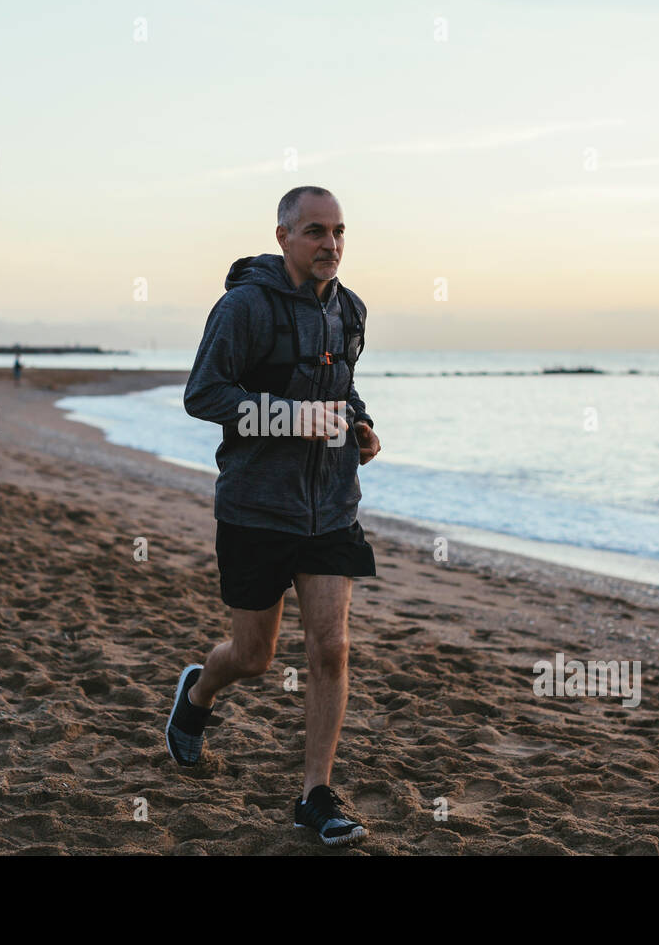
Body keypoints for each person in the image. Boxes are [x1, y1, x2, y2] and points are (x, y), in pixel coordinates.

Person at [168, 186, 382, 847]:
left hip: (332, 509)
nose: (332, 244)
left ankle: (314, 794)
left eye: (340, 231)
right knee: (254, 656)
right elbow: (202, 394)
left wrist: (362, 424)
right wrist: (290, 417)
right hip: (257, 508)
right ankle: (199, 693)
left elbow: (339, 386)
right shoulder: (243, 307)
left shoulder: (351, 310)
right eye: (316, 231)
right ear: (285, 235)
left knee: (332, 646)